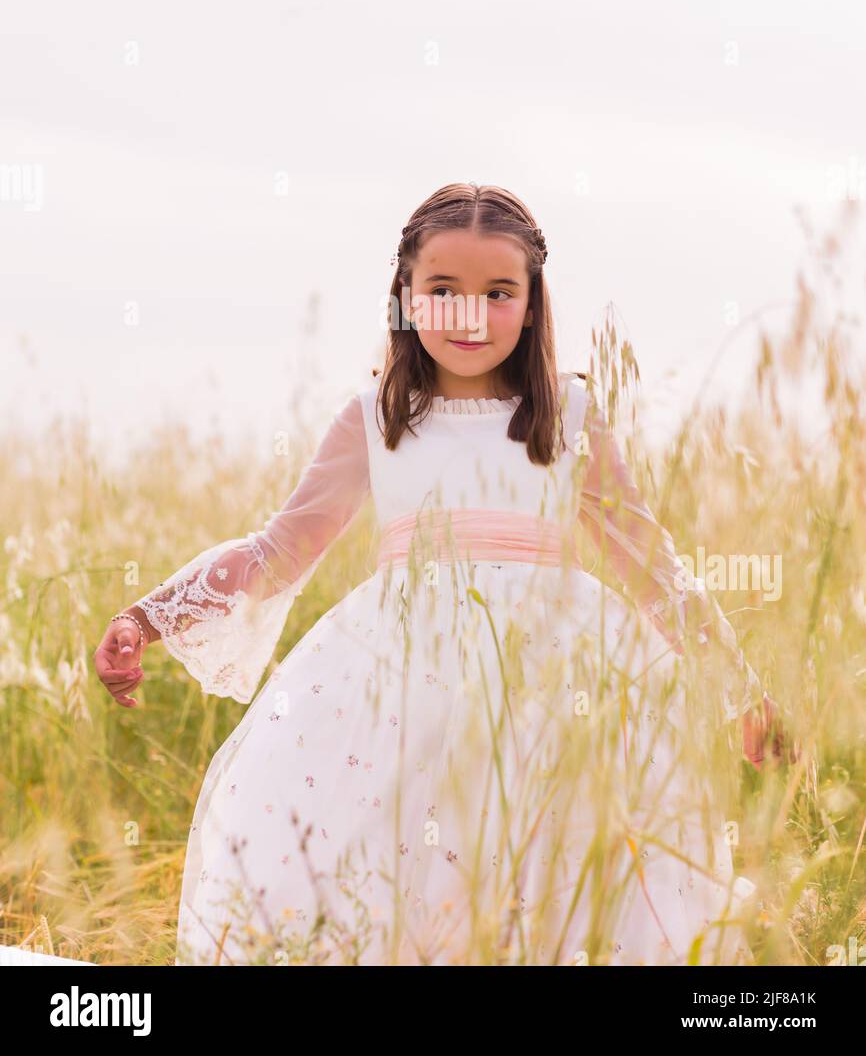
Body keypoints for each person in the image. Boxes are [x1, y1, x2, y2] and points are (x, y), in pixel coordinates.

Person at [94, 182, 796, 966]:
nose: (470, 314)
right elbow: (276, 552)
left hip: (560, 688)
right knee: (401, 873)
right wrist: (150, 617)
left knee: (557, 874)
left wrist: (737, 690)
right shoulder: (374, 419)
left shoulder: (566, 416)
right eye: (442, 291)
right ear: (405, 299)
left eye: (499, 292)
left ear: (533, 305)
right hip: (394, 690)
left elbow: (652, 566)